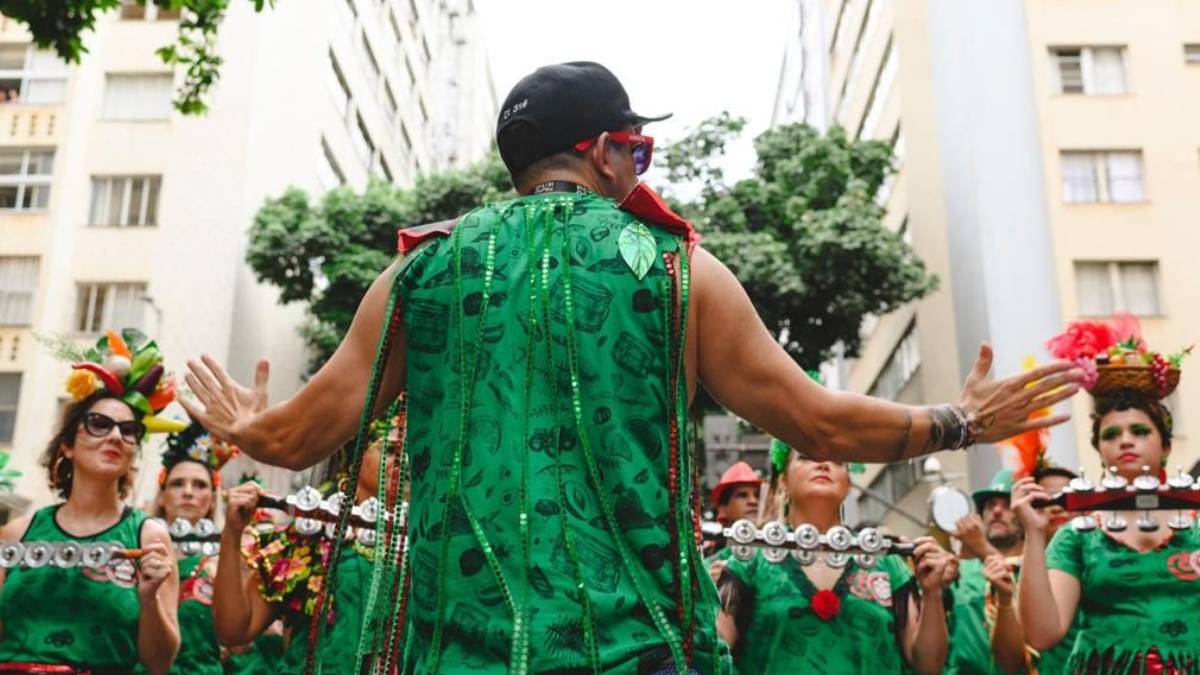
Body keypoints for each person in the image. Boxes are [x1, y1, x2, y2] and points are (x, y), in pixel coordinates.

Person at [180, 61, 1082, 673]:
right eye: (637, 150)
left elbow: (297, 436)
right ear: (604, 151)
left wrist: (241, 426)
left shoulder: (420, 272)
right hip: (635, 646)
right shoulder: (677, 269)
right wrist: (961, 421)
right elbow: (821, 422)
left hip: (458, 650)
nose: (636, 166)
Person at [1016, 321, 1198, 674]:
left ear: (1166, 447)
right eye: (1112, 434)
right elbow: (1042, 634)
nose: (1126, 441)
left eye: (1140, 431)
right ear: (1100, 452)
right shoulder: (1077, 533)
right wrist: (1034, 536)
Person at [0, 329, 181, 674]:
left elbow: (160, 664)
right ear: (66, 445)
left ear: (132, 454)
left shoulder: (149, 539)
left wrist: (148, 597)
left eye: (128, 431)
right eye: (99, 423)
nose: (115, 435)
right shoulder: (16, 534)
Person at [716, 447, 950, 674]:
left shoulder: (886, 560)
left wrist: (933, 593)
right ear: (784, 481)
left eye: (837, 461)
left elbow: (928, 666)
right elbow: (706, 654)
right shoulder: (752, 560)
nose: (822, 464)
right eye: (806, 457)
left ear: (848, 484)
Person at [212, 441, 381, 673]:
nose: (405, 461)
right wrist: (231, 534)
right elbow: (234, 630)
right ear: (354, 464)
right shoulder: (311, 541)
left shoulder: (431, 549)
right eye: (390, 450)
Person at [146, 422, 239, 674]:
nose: (188, 492)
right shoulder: (135, 550)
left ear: (212, 498)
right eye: (177, 484)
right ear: (162, 496)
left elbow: (243, 645)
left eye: (199, 485)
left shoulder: (228, 561)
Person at [945, 468, 1028, 675]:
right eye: (990, 505)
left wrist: (982, 547)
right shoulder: (959, 570)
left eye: (1007, 505)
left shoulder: (1036, 567)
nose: (997, 512)